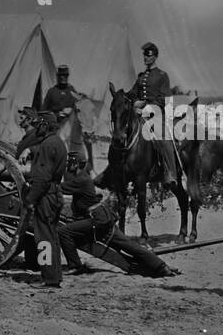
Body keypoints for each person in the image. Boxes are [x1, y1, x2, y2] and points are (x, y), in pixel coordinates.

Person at [59, 155, 179, 278]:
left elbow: (58, 188)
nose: (67, 165)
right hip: (102, 218)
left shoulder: (81, 180)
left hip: (97, 220)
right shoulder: (82, 178)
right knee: (130, 245)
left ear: (77, 164)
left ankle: (75, 266)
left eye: (70, 162)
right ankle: (162, 266)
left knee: (63, 232)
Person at [23, 110, 68, 288]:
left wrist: (30, 200)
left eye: (37, 125)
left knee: (43, 239)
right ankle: (55, 276)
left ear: (44, 125)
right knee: (52, 237)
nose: (35, 129)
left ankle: (49, 279)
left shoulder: (47, 145)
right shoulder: (56, 142)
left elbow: (41, 179)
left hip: (45, 196)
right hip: (55, 193)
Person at [128, 41, 179, 185]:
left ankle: (170, 173)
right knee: (122, 135)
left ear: (155, 57)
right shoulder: (141, 77)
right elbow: (132, 94)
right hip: (139, 114)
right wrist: (132, 103)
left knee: (163, 140)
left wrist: (149, 107)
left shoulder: (162, 76)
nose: (145, 58)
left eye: (149, 55)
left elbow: (165, 99)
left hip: (155, 115)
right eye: (144, 55)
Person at [41, 64, 90, 171]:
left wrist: (72, 109)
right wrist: (56, 114)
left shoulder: (71, 90)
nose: (63, 77)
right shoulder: (52, 92)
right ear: (57, 76)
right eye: (61, 75)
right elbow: (43, 111)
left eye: (65, 75)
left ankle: (89, 163)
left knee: (85, 140)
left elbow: (79, 106)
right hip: (55, 126)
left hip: (70, 125)